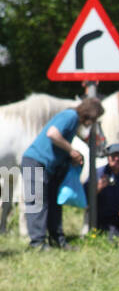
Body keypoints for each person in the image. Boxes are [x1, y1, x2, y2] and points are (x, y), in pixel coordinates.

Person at [20, 97, 104, 249]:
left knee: (53, 203)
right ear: (90, 114)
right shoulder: (70, 116)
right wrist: (71, 150)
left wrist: (70, 157)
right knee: (37, 204)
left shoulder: (74, 121)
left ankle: (57, 240)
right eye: (94, 118)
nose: (92, 123)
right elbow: (52, 134)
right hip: (35, 161)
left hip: (48, 166)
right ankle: (37, 243)